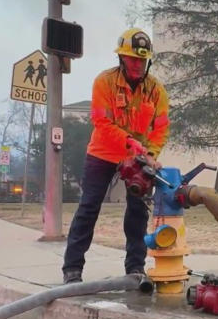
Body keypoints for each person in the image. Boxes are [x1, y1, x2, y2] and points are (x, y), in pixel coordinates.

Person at [62, 28, 170, 284]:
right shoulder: (105, 82)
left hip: (140, 159)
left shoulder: (156, 89)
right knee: (88, 207)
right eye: (133, 59)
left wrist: (152, 154)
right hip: (103, 153)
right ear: (121, 58)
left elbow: (162, 126)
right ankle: (72, 269)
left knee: (137, 213)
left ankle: (135, 268)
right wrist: (130, 142)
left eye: (142, 60)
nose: (137, 65)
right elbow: (100, 120)